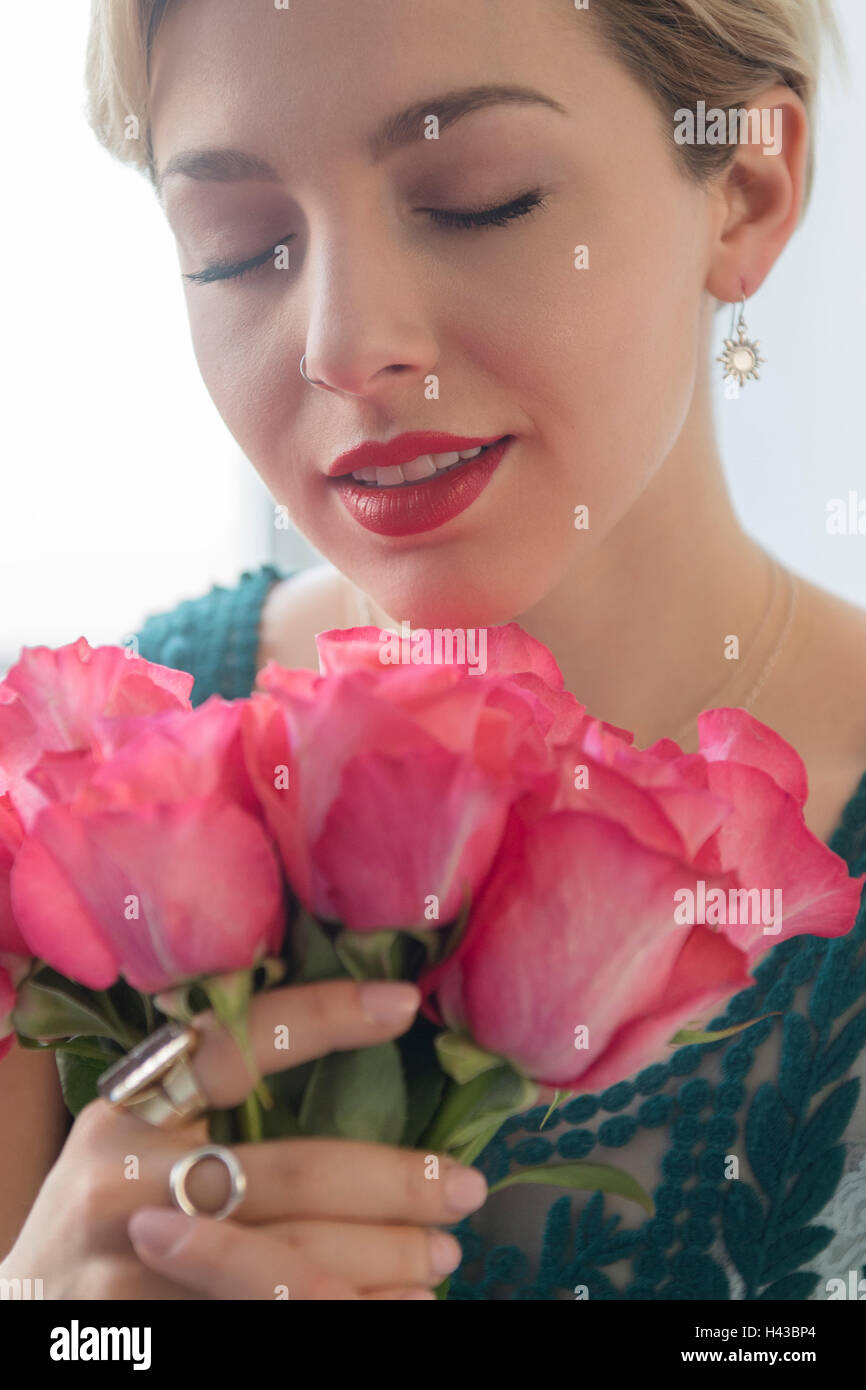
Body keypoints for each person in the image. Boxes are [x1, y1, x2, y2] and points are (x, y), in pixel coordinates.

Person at [2, 0, 865, 1300]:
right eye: (241, 250)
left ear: (743, 185)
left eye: (478, 200)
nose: (345, 349)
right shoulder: (79, 794)